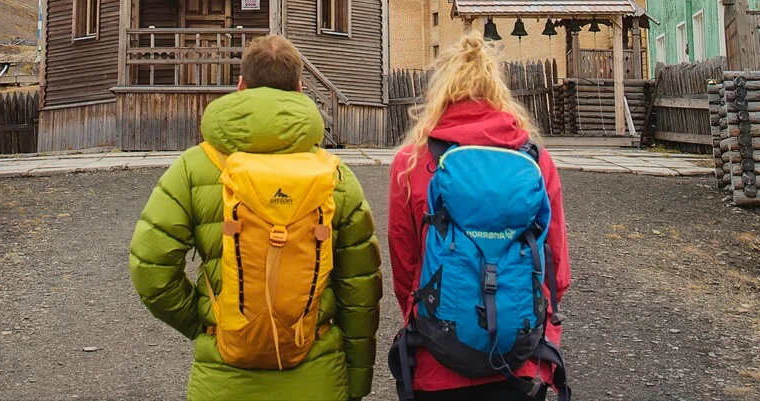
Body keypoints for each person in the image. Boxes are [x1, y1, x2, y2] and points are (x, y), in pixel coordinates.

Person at [131, 33, 382, 400]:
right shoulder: (336, 177)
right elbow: (361, 291)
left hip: (223, 378)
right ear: (300, 90)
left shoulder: (193, 167)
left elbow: (150, 267)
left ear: (241, 86)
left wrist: (210, 322)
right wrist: (356, 384)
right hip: (317, 373)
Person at [388, 34, 571, 401]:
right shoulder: (534, 159)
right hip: (520, 359)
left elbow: (405, 268)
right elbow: (557, 271)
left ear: (440, 91)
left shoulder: (412, 161)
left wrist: (431, 315)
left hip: (437, 360)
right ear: (496, 88)